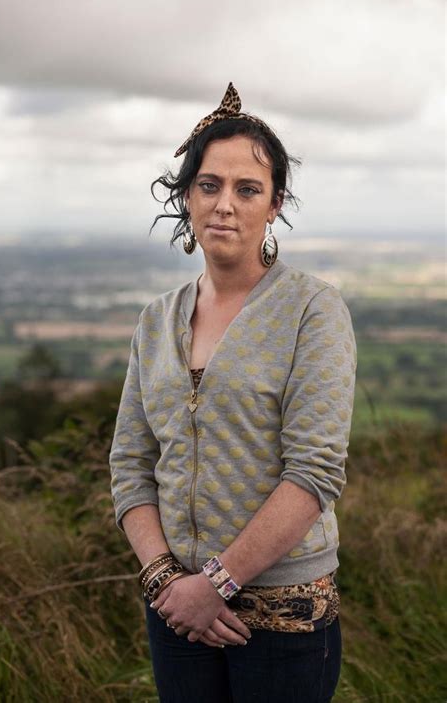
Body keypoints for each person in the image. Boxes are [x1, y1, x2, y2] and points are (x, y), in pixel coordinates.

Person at [109, 82, 357, 703]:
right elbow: (131, 464)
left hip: (284, 615)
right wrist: (166, 579)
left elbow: (314, 472)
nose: (225, 204)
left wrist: (214, 583)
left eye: (247, 189)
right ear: (186, 197)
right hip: (176, 610)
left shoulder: (312, 310)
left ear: (274, 205)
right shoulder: (155, 320)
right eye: (209, 185)